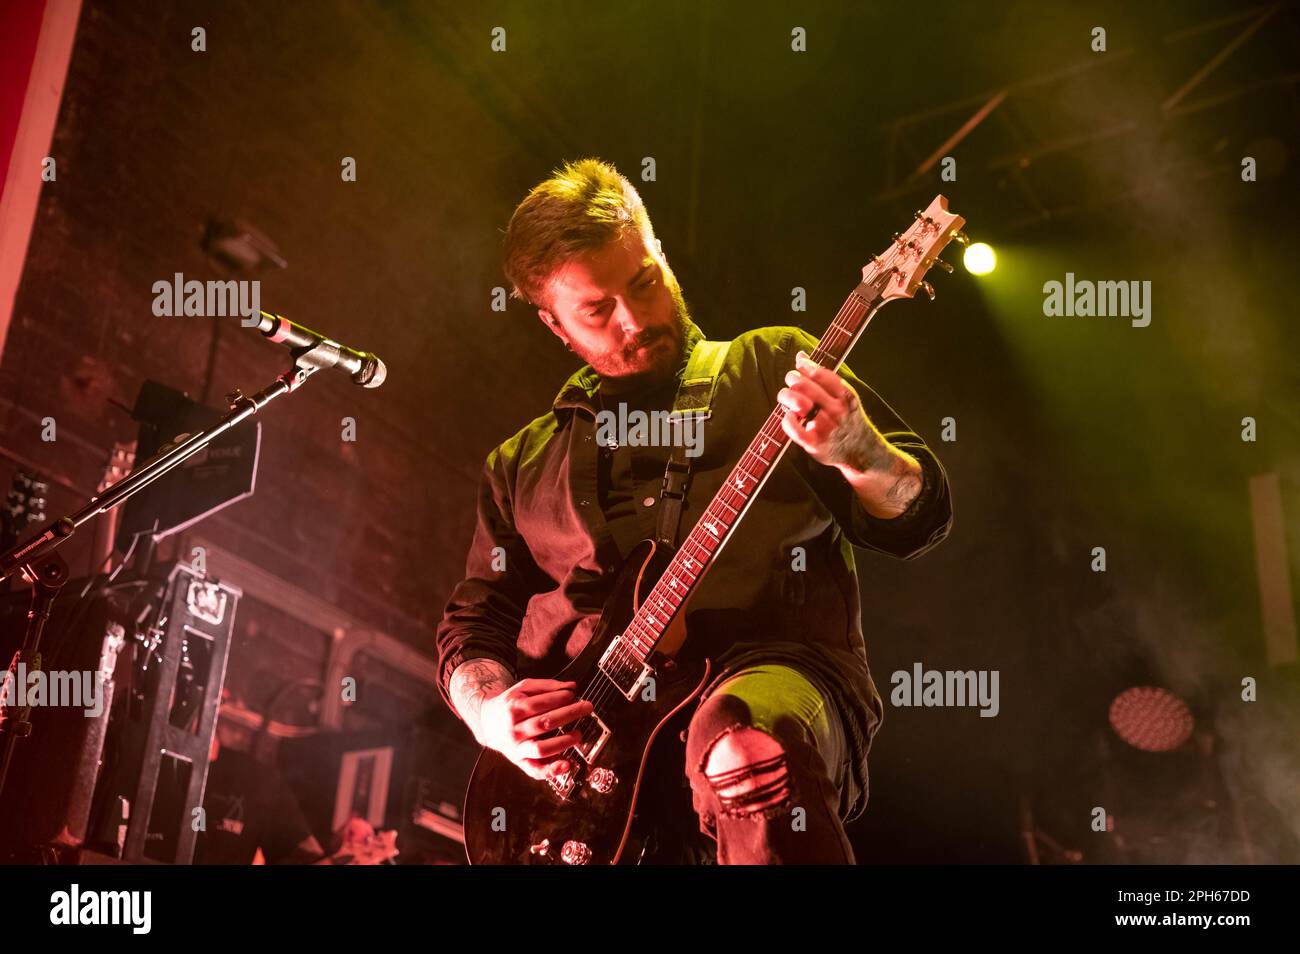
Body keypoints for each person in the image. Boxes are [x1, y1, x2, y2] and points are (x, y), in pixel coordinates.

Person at [436, 158, 952, 864]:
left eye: (644, 282)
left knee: (742, 742)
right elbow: (472, 627)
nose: (635, 318)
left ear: (662, 257)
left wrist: (861, 452)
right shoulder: (520, 465)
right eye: (597, 310)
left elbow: (917, 520)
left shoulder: (772, 368)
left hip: (770, 675)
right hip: (582, 764)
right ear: (554, 325)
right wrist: (490, 714)